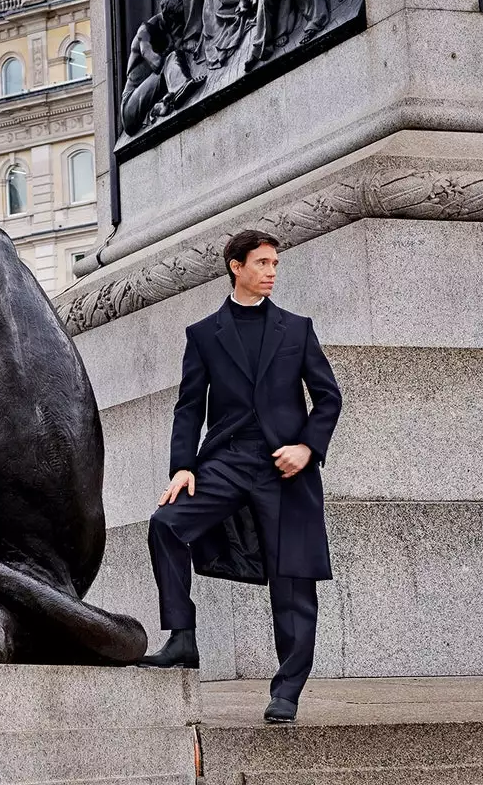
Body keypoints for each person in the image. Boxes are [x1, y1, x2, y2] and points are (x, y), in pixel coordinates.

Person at [138, 230, 342, 725]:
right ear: (236, 266)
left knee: (292, 580)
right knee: (165, 524)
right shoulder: (204, 335)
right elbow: (188, 408)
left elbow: (328, 396)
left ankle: (287, 691)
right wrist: (182, 467)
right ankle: (182, 638)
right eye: (263, 263)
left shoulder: (296, 329)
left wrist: (307, 447)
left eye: (276, 263)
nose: (272, 271)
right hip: (225, 460)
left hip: (283, 467)